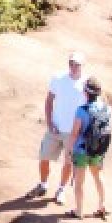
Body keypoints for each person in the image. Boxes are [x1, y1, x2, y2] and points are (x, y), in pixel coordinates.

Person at [34, 51, 88, 204]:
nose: (73, 66)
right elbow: (49, 100)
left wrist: (82, 130)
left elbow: (88, 107)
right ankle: (43, 184)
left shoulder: (86, 83)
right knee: (44, 157)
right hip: (55, 128)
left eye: (77, 64)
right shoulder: (58, 78)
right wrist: (50, 123)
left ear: (83, 65)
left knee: (68, 162)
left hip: (73, 132)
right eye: (71, 63)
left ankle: (61, 190)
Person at [65, 76, 110, 219]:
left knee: (79, 182)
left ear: (86, 92)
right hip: (97, 150)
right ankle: (102, 205)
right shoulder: (106, 108)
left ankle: (79, 211)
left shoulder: (81, 110)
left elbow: (74, 133)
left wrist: (68, 151)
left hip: (81, 150)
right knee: (98, 177)